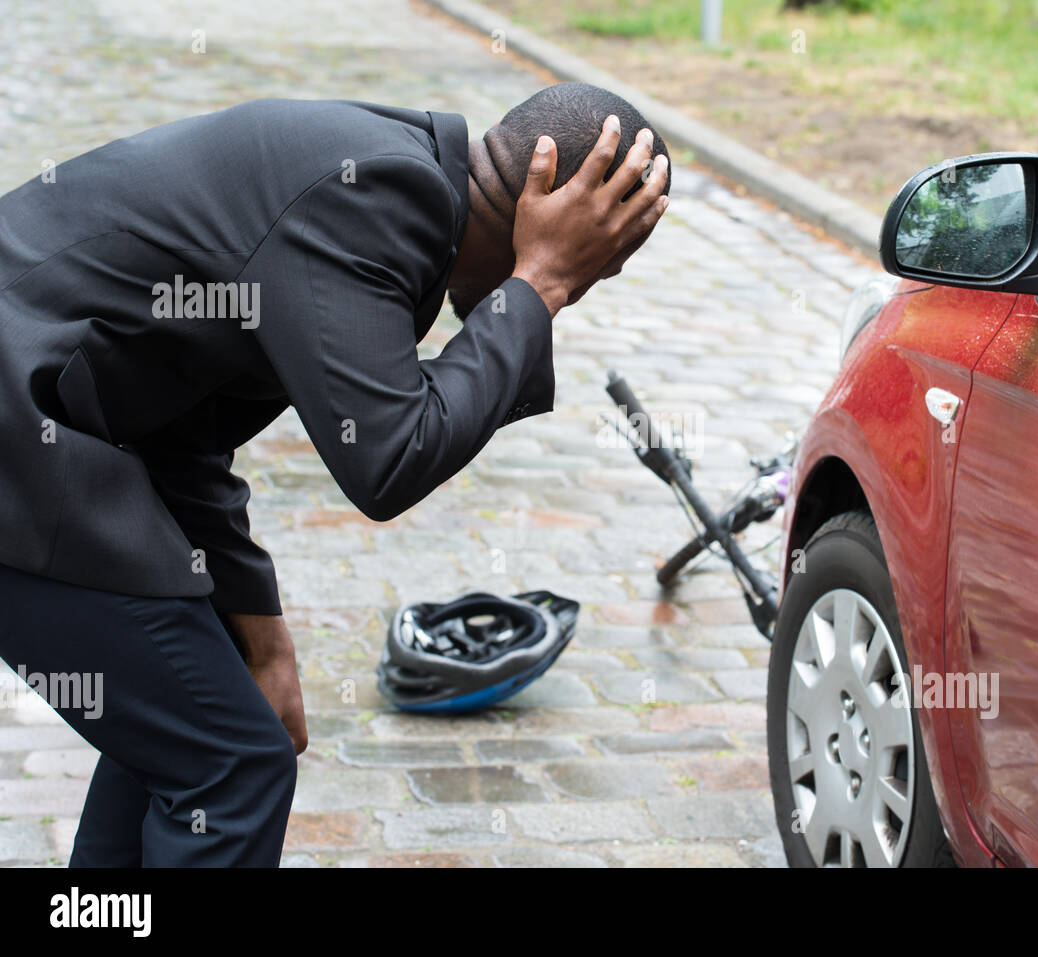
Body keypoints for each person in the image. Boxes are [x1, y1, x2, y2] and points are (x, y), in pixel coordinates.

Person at [0, 82, 670, 866]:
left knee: (187, 737)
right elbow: (390, 458)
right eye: (594, 263)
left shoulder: (390, 182)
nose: (580, 288)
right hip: (22, 431)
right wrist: (538, 284)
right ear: (548, 212)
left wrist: (261, 633)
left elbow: (185, 433)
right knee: (232, 768)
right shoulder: (375, 202)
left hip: (47, 428)